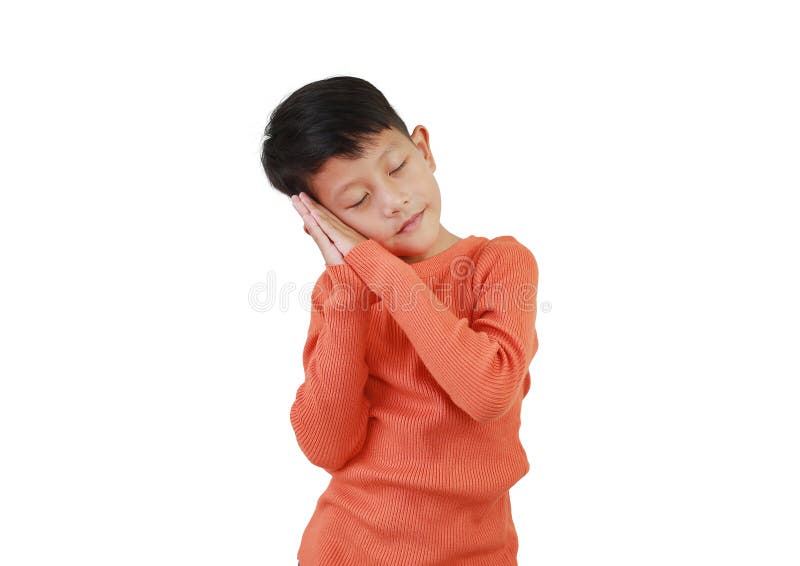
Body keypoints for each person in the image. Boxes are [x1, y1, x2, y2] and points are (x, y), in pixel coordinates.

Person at [261, 75, 540, 565]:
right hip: (349, 547)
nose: (393, 201)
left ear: (424, 149)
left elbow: (488, 392)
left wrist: (380, 271)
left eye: (397, 167)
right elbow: (328, 446)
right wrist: (350, 286)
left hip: (478, 550)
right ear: (325, 221)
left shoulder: (499, 264)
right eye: (357, 201)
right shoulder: (339, 295)